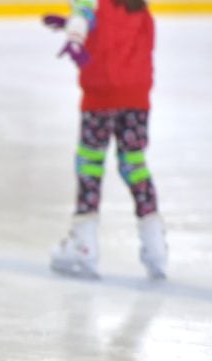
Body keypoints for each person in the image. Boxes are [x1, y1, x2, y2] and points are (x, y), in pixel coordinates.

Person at [44, 0, 168, 279]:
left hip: (99, 98)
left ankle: (83, 244)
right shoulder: (140, 7)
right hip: (136, 99)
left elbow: (84, 17)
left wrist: (74, 34)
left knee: (90, 164)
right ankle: (155, 243)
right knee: (134, 163)